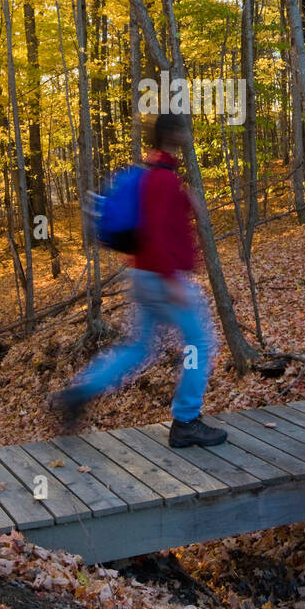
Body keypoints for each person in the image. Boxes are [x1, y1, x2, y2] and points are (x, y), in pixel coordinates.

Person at [52, 113, 228, 448]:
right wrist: (172, 279)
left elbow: (157, 220)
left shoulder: (155, 176)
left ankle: (79, 392)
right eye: (183, 130)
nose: (187, 135)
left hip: (143, 275)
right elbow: (157, 232)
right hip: (163, 278)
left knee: (138, 348)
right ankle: (187, 420)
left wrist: (188, 204)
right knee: (200, 344)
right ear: (173, 134)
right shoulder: (162, 181)